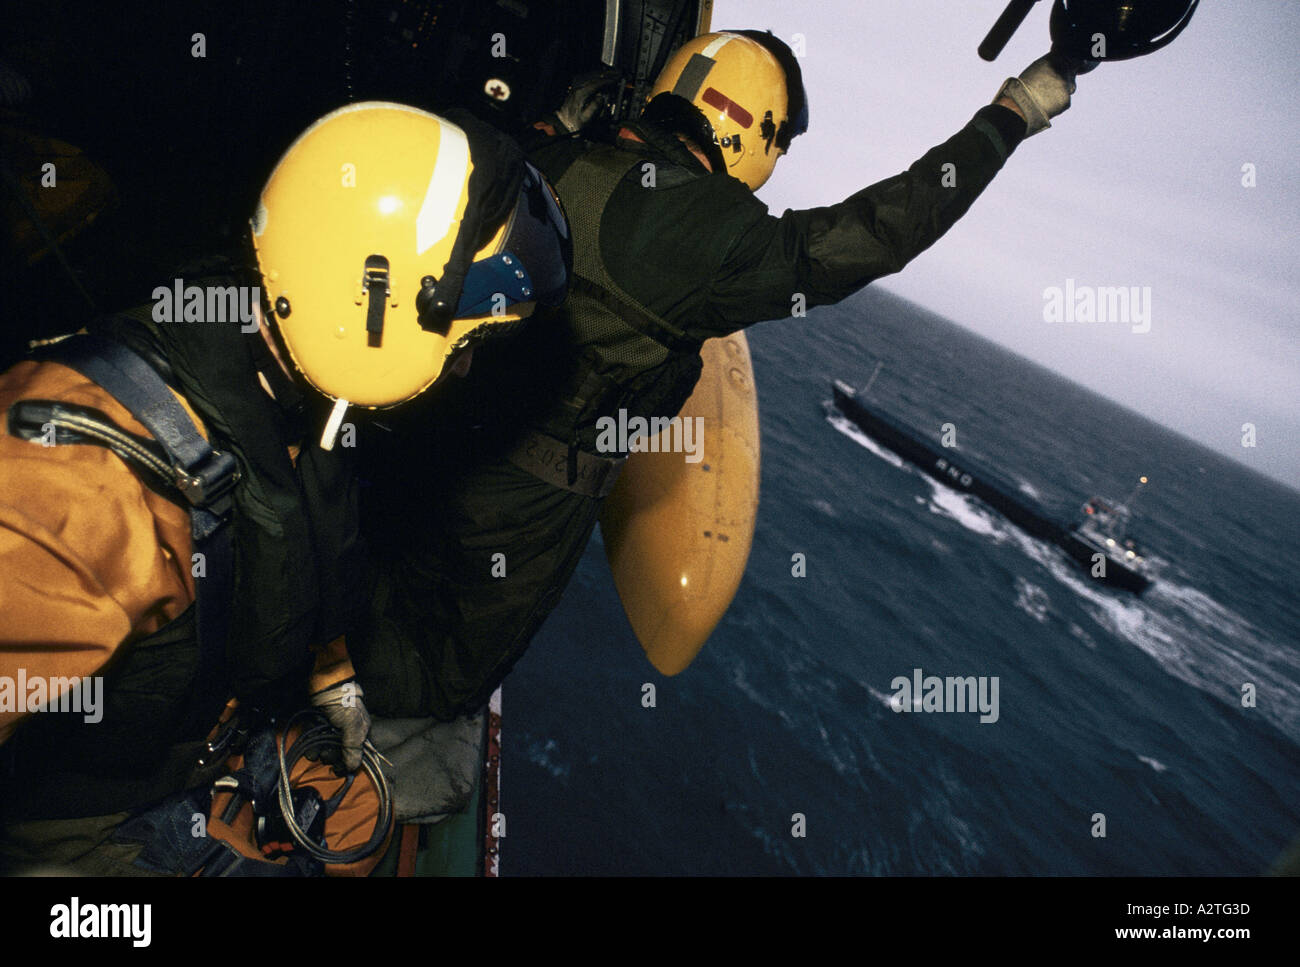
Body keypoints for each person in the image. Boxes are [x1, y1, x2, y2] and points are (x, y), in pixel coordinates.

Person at [349, 29, 1087, 724]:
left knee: (368, 574)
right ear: (754, 132)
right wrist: (1012, 113)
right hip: (522, 503)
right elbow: (879, 232)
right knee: (437, 680)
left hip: (425, 428)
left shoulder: (559, 156)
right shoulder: (717, 237)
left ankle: (315, 652)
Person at [0, 101, 570, 874]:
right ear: (375, 300)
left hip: (205, 742)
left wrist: (334, 682)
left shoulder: (294, 389)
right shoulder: (72, 482)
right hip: (79, 830)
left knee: (358, 821)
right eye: (463, 337)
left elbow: (305, 550)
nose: (463, 365)